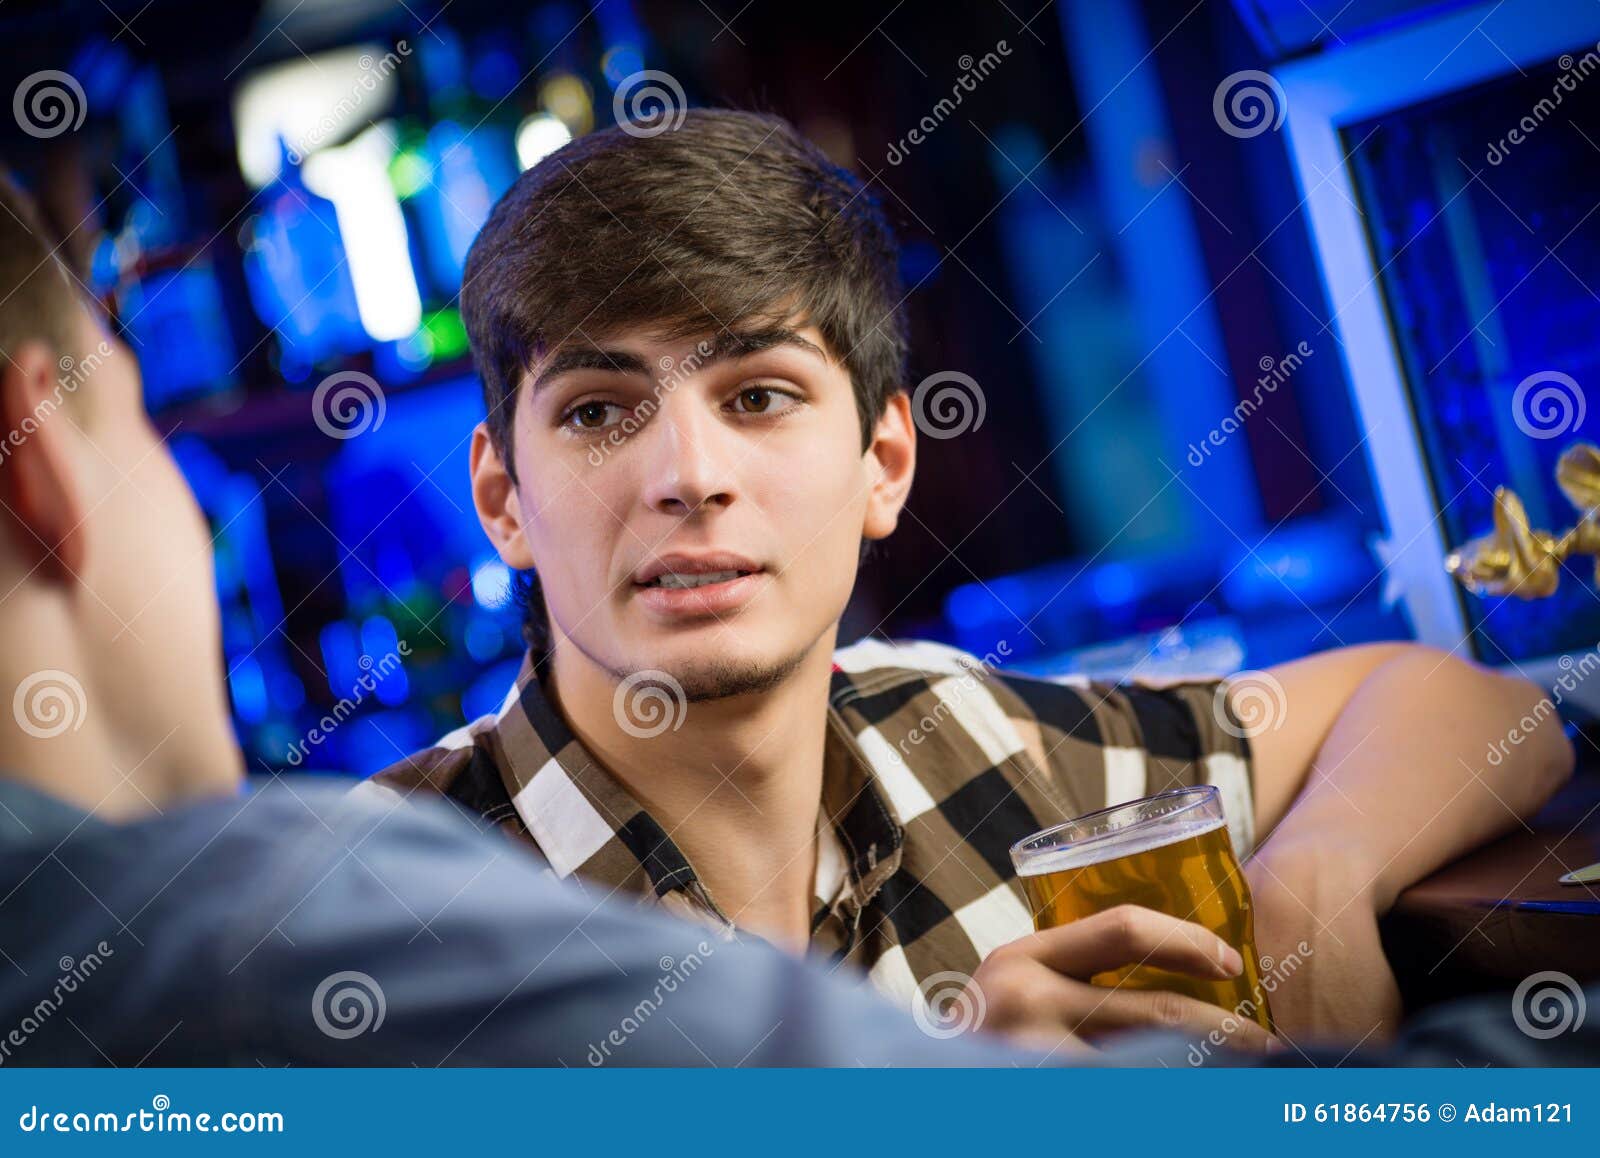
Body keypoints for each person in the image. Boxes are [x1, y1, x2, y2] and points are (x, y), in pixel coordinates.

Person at [369, 107, 1574, 1049]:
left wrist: (1313, 876)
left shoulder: (958, 735)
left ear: (883, 462)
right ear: (503, 499)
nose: (688, 475)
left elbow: (1479, 708)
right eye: (598, 411)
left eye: (758, 397)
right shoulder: (359, 910)